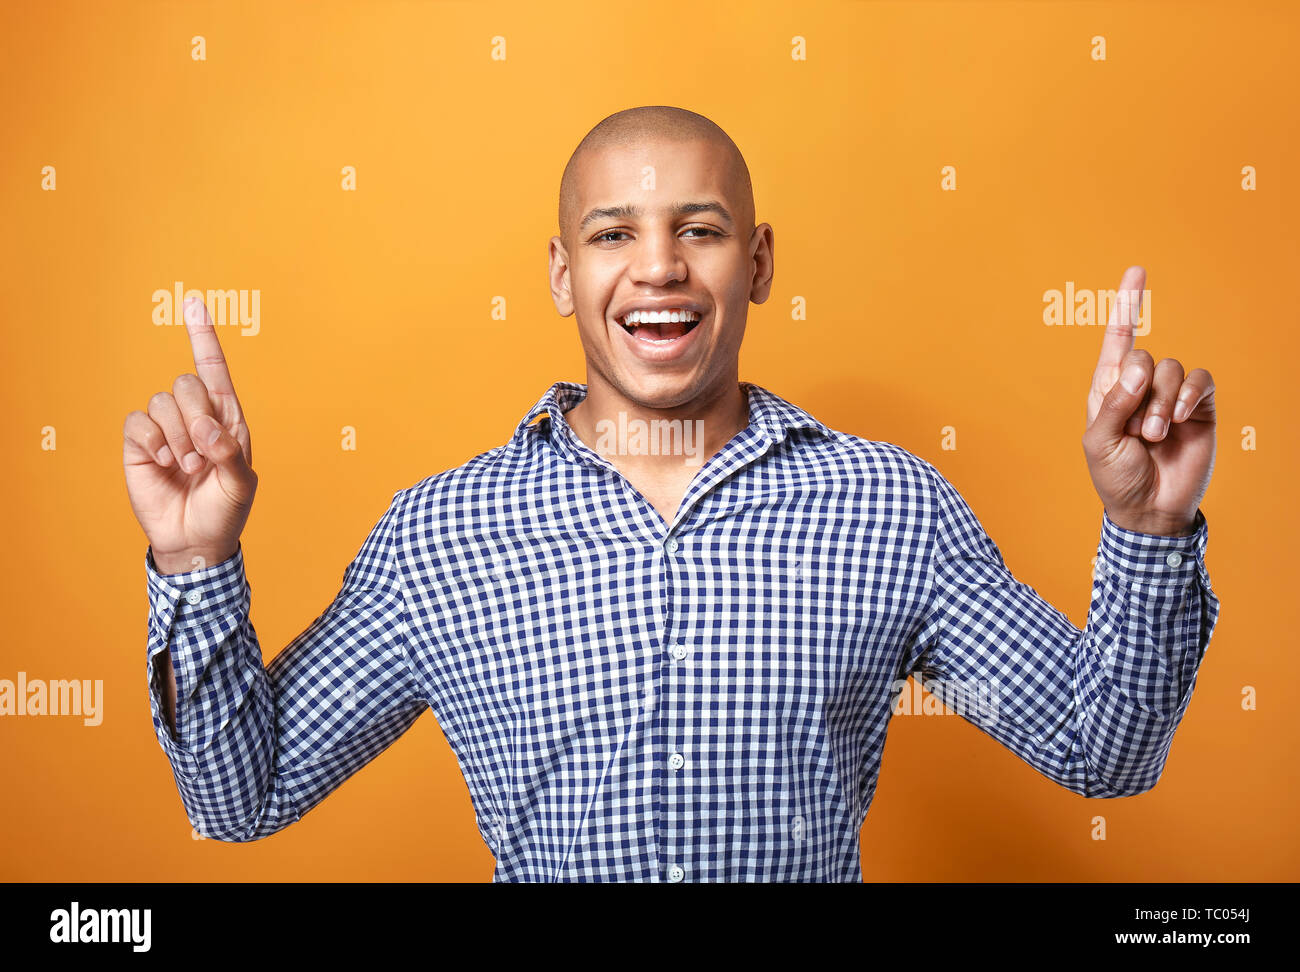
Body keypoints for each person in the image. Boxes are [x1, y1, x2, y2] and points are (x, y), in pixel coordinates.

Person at [122, 105, 1220, 882]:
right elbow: (240, 799)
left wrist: (1147, 527)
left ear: (758, 263)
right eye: (615, 235)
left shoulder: (890, 508)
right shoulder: (441, 537)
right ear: (563, 274)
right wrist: (194, 565)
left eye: (699, 229)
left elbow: (1103, 753)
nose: (658, 267)